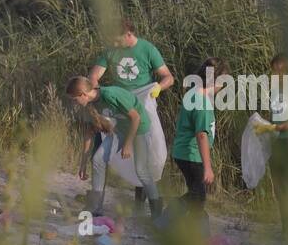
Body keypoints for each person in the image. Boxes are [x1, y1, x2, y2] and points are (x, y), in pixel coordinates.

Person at [88, 20, 173, 214]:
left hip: (142, 105)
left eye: (118, 40)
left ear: (128, 34)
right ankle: (96, 205)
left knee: (147, 154)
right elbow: (93, 76)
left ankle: (145, 203)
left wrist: (159, 87)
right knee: (101, 156)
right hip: (119, 106)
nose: (115, 44)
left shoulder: (148, 49)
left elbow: (168, 77)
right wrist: (97, 91)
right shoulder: (111, 50)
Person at [68, 77, 162, 218]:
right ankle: (96, 208)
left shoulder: (110, 95)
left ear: (83, 94)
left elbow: (136, 118)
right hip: (120, 130)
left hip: (140, 129)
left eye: (74, 99)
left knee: (141, 170)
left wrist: (128, 143)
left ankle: (157, 211)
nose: (74, 103)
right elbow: (89, 133)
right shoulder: (90, 104)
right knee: (98, 159)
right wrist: (82, 163)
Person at [253, 53, 288, 245]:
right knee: (280, 189)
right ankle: (287, 230)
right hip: (278, 143)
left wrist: (271, 128)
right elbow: (275, 116)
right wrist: (265, 127)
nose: (275, 72)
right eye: (273, 69)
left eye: (279, 68)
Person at [171, 57, 227, 219]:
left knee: (196, 195)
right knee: (197, 196)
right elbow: (201, 135)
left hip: (183, 153)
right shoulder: (201, 101)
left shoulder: (193, 95)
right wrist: (208, 167)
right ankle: (167, 218)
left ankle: (193, 231)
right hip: (192, 155)